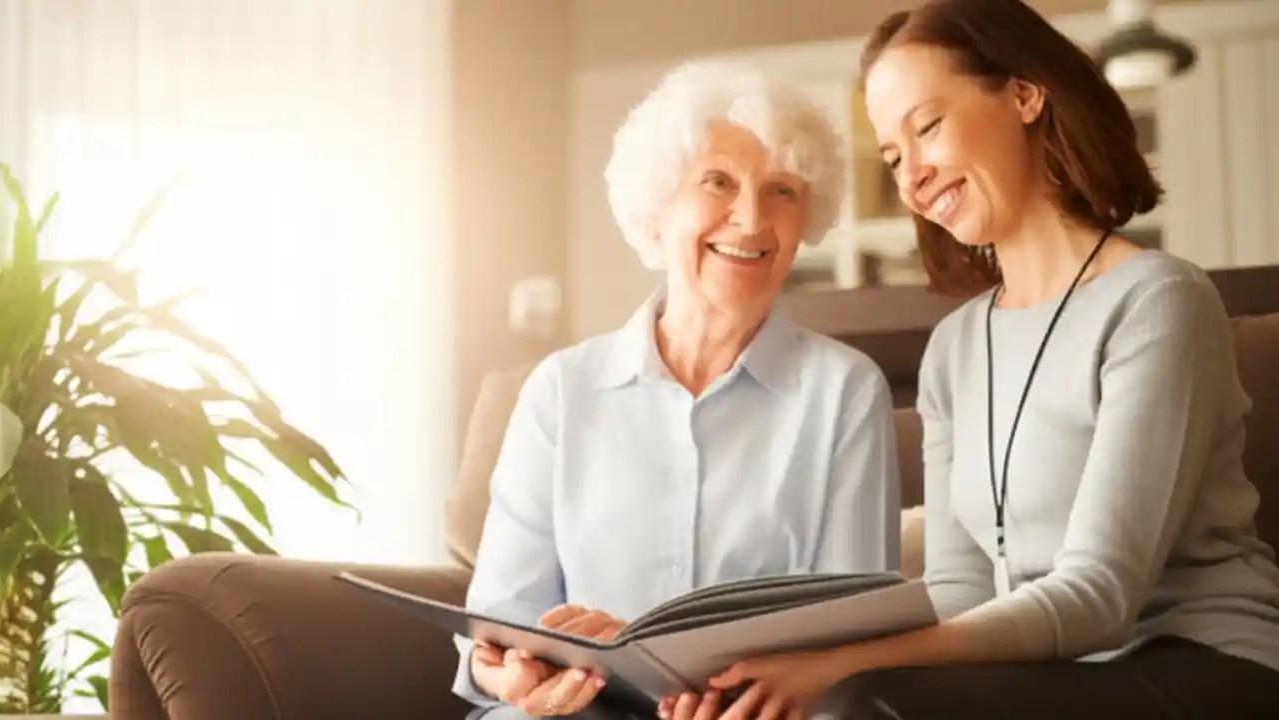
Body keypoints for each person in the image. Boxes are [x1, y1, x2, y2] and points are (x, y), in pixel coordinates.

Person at [658, 1, 1279, 719]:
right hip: (1062, 669)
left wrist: (839, 664)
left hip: (1206, 662)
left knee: (859, 699)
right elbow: (959, 589)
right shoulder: (954, 347)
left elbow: (1100, 596)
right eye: (892, 157)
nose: (913, 175)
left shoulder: (1157, 300)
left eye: (927, 128)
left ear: (1024, 93)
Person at [452, 60, 902, 720]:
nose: (751, 219)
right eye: (718, 182)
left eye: (781, 191)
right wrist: (512, 677)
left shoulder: (845, 393)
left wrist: (681, 670)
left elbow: (848, 645)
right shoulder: (561, 390)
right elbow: (495, 630)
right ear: (658, 209)